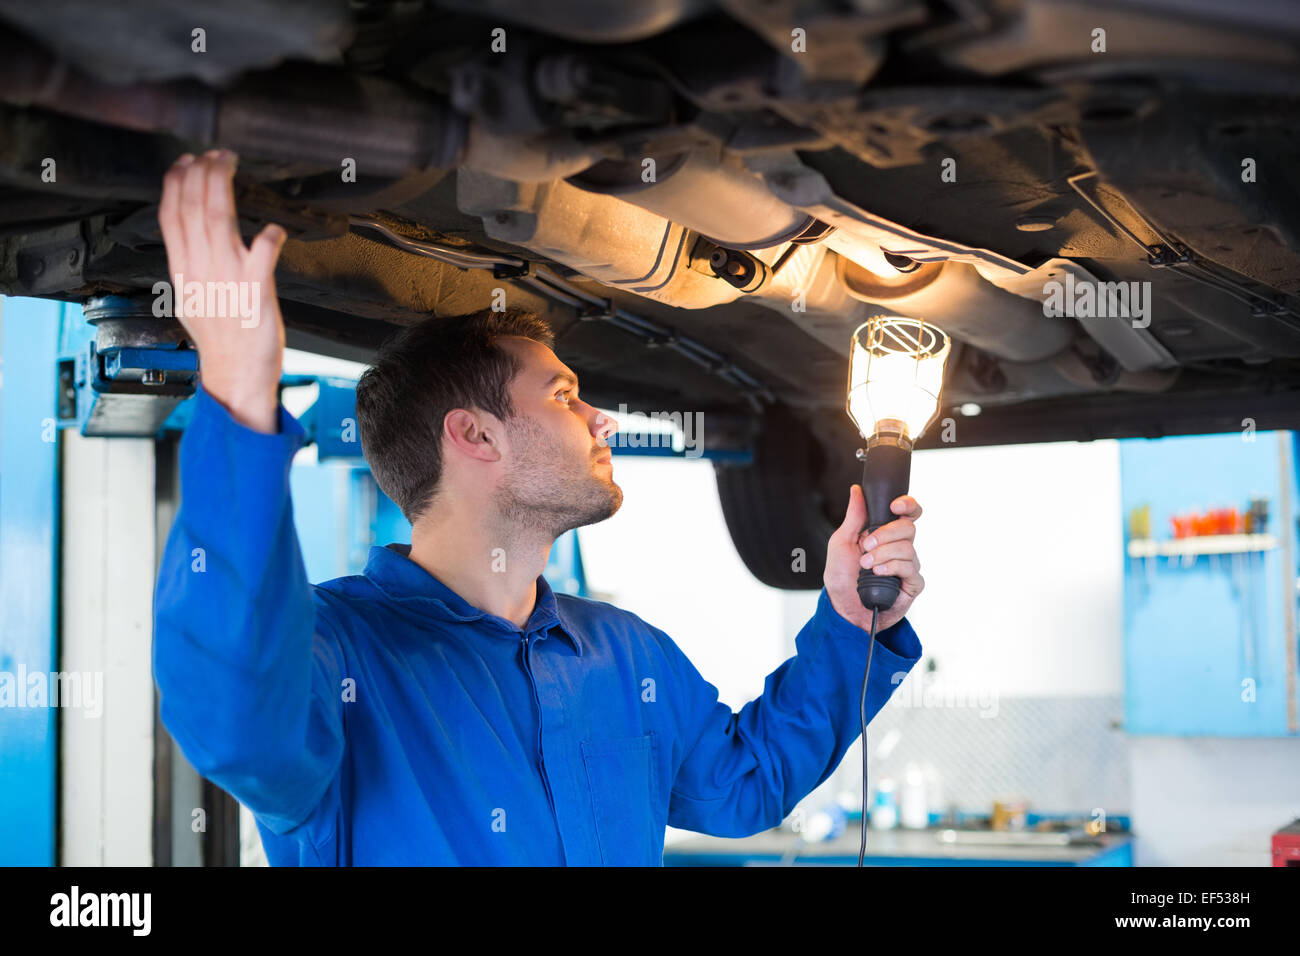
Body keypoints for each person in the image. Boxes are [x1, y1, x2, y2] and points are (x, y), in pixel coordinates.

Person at [152, 149, 927, 865]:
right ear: (475, 435)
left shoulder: (626, 655)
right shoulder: (341, 653)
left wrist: (850, 624)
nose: (601, 420)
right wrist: (239, 396)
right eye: (564, 396)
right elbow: (236, 720)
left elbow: (743, 783)